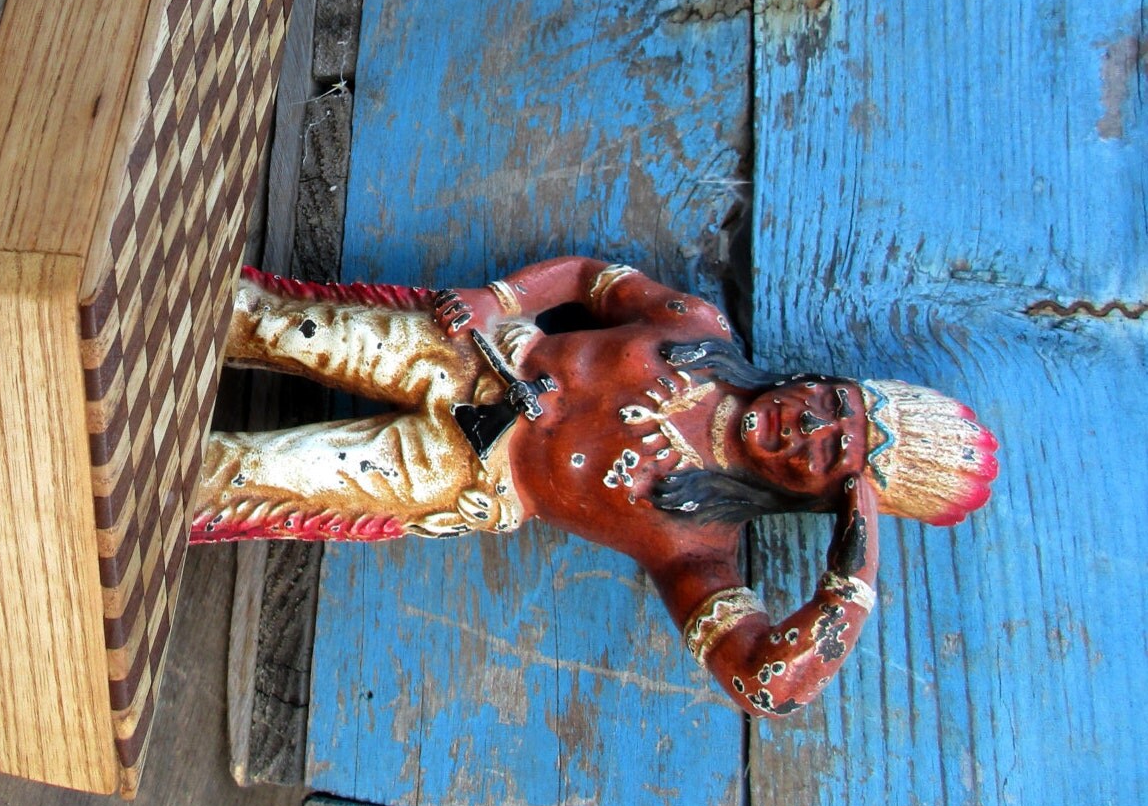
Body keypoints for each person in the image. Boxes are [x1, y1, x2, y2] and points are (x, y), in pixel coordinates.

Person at [191, 257, 998, 716]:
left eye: (830, 452)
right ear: (822, 378)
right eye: (831, 404)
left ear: (825, 496)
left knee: (249, 475)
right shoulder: (697, 328)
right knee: (268, 321)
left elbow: (764, 682)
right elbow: (589, 277)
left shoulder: (699, 548)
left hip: (469, 471)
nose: (806, 425)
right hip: (479, 354)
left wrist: (849, 586)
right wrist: (497, 300)